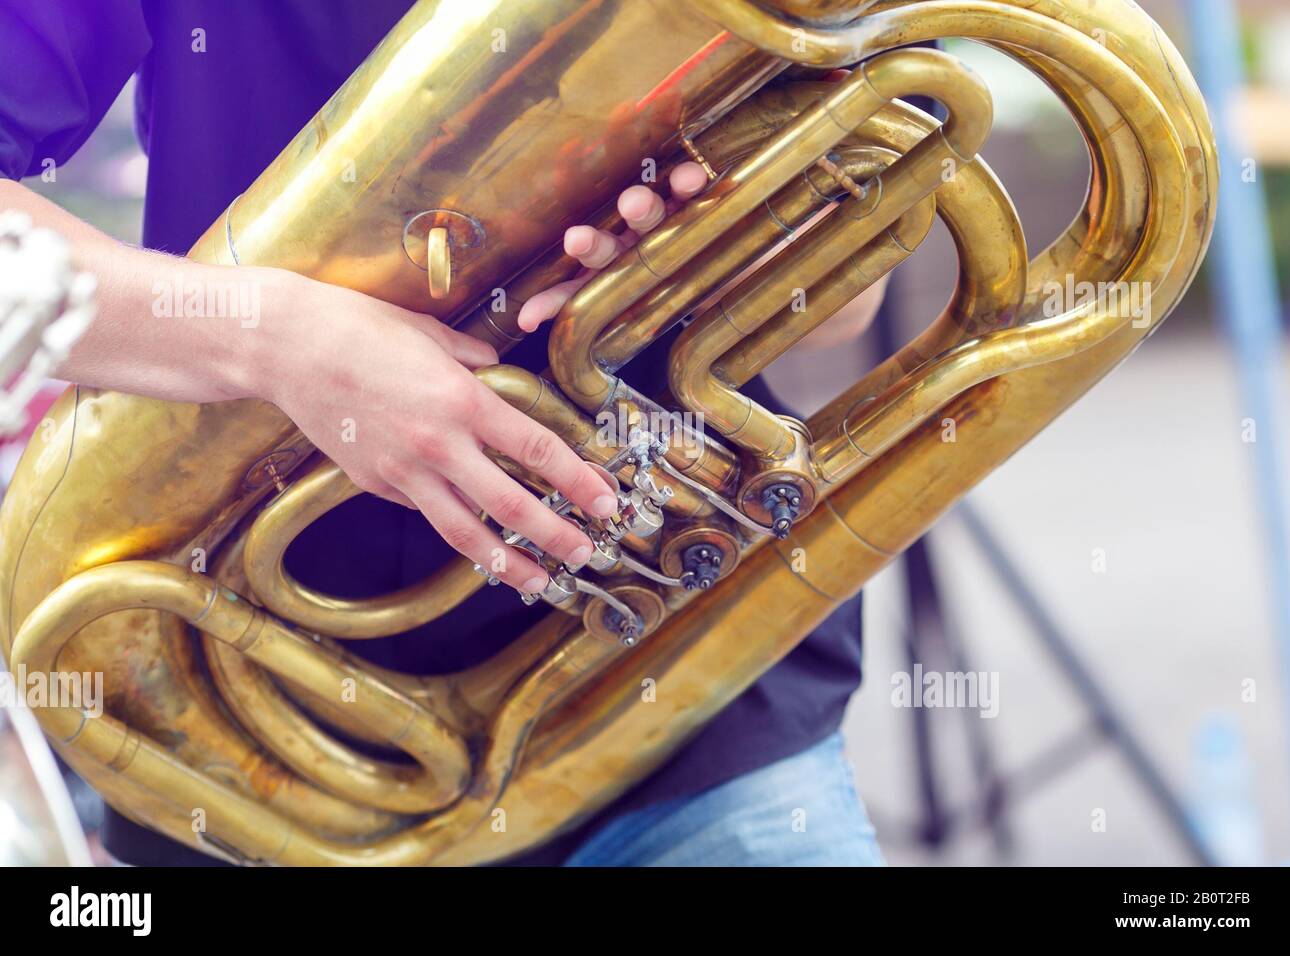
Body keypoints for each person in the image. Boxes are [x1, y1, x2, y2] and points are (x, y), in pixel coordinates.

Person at [0, 0, 888, 866]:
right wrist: (271, 341)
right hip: (241, 729)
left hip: (697, 688)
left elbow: (848, 308)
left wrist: (721, 229)